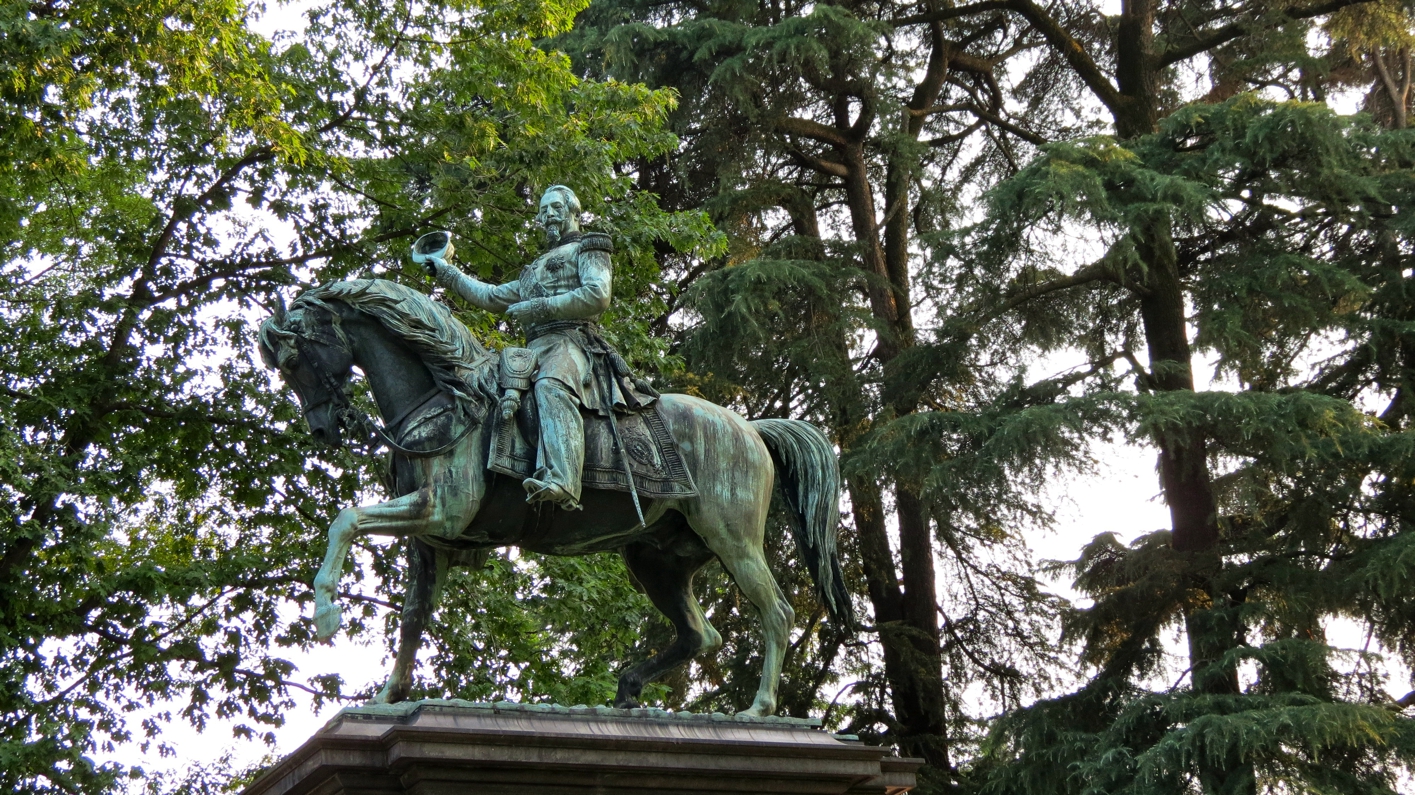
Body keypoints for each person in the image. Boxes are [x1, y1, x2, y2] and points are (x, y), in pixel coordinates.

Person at [419, 185, 654, 510]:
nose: (548, 216)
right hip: (533, 350)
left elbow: (598, 295)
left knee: (551, 385)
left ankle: (562, 479)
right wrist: (447, 272)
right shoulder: (536, 267)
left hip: (573, 342)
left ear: (574, 210)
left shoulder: (589, 246)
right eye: (543, 211)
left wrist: (541, 307)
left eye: (555, 207)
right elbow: (491, 297)